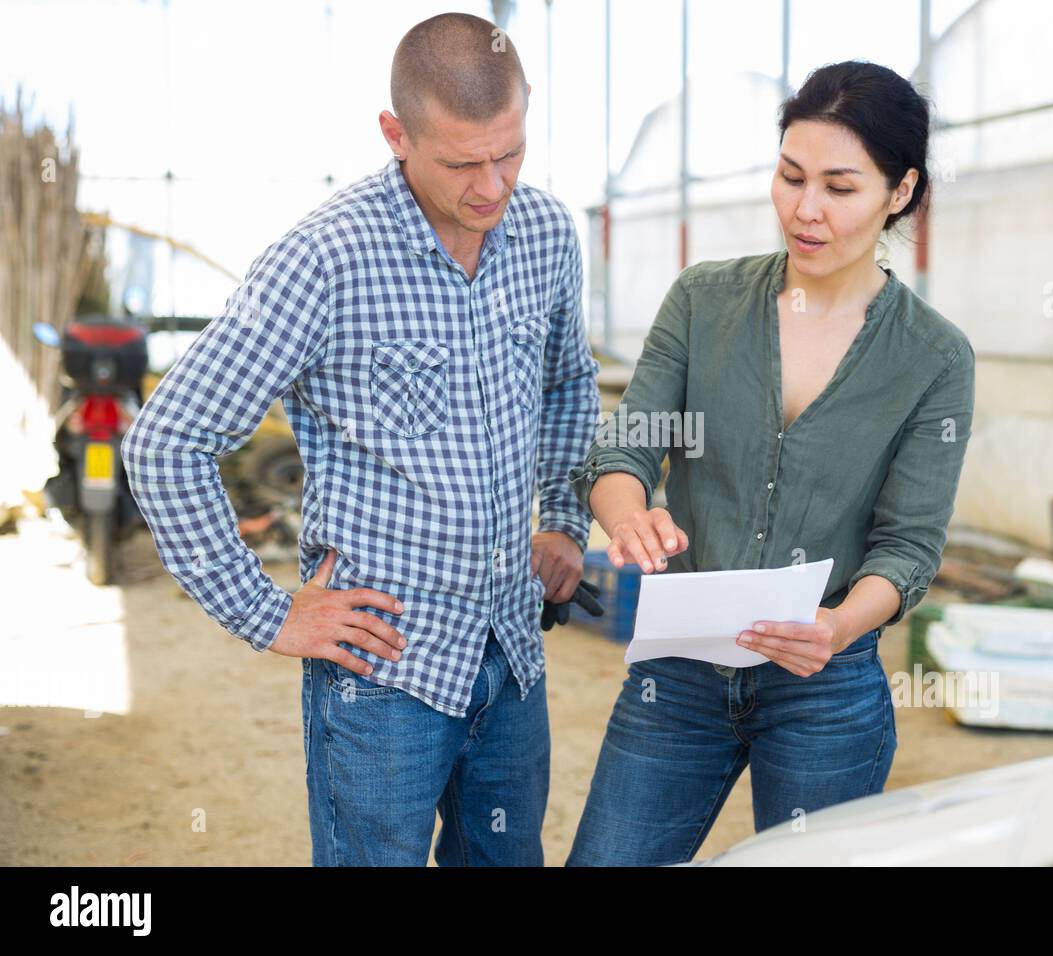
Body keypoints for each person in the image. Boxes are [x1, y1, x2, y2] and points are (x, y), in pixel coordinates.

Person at [121, 13, 599, 867]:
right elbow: (166, 441)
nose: (493, 186)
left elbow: (566, 385)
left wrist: (563, 518)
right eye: (462, 162)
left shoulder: (549, 236)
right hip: (386, 675)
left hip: (512, 650)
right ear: (395, 134)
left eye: (512, 153)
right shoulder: (325, 259)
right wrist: (265, 612)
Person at [565, 60, 975, 866]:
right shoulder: (703, 301)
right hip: (679, 670)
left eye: (839, 186)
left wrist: (838, 626)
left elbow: (908, 545)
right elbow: (629, 445)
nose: (806, 210)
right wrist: (627, 514)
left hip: (825, 686)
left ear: (900, 192)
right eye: (790, 177)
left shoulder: (933, 357)